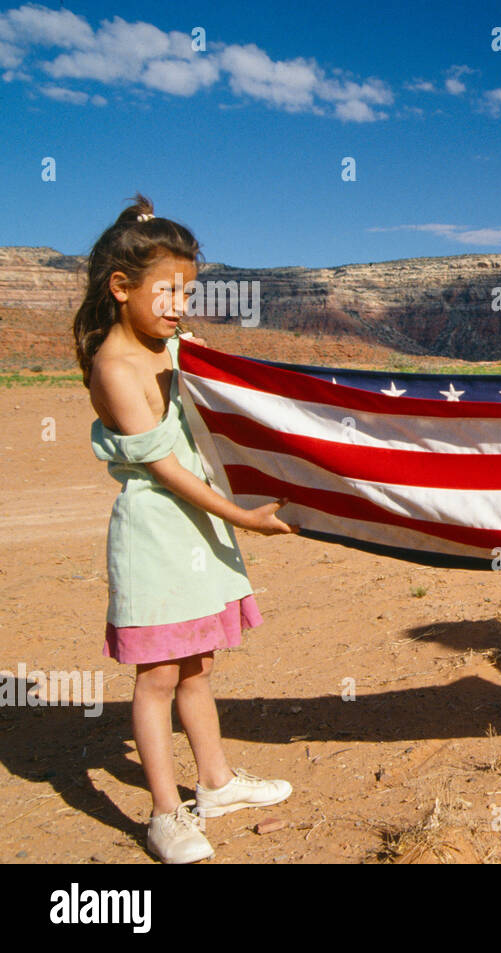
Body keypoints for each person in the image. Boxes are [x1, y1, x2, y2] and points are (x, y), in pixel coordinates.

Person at [74, 195, 298, 862]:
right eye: (165, 291)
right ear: (120, 288)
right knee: (157, 678)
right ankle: (166, 813)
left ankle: (217, 781)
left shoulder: (168, 345)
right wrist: (244, 519)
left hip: (197, 532)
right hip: (158, 535)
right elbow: (168, 469)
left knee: (197, 664)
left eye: (187, 292)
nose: (178, 305)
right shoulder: (114, 367)